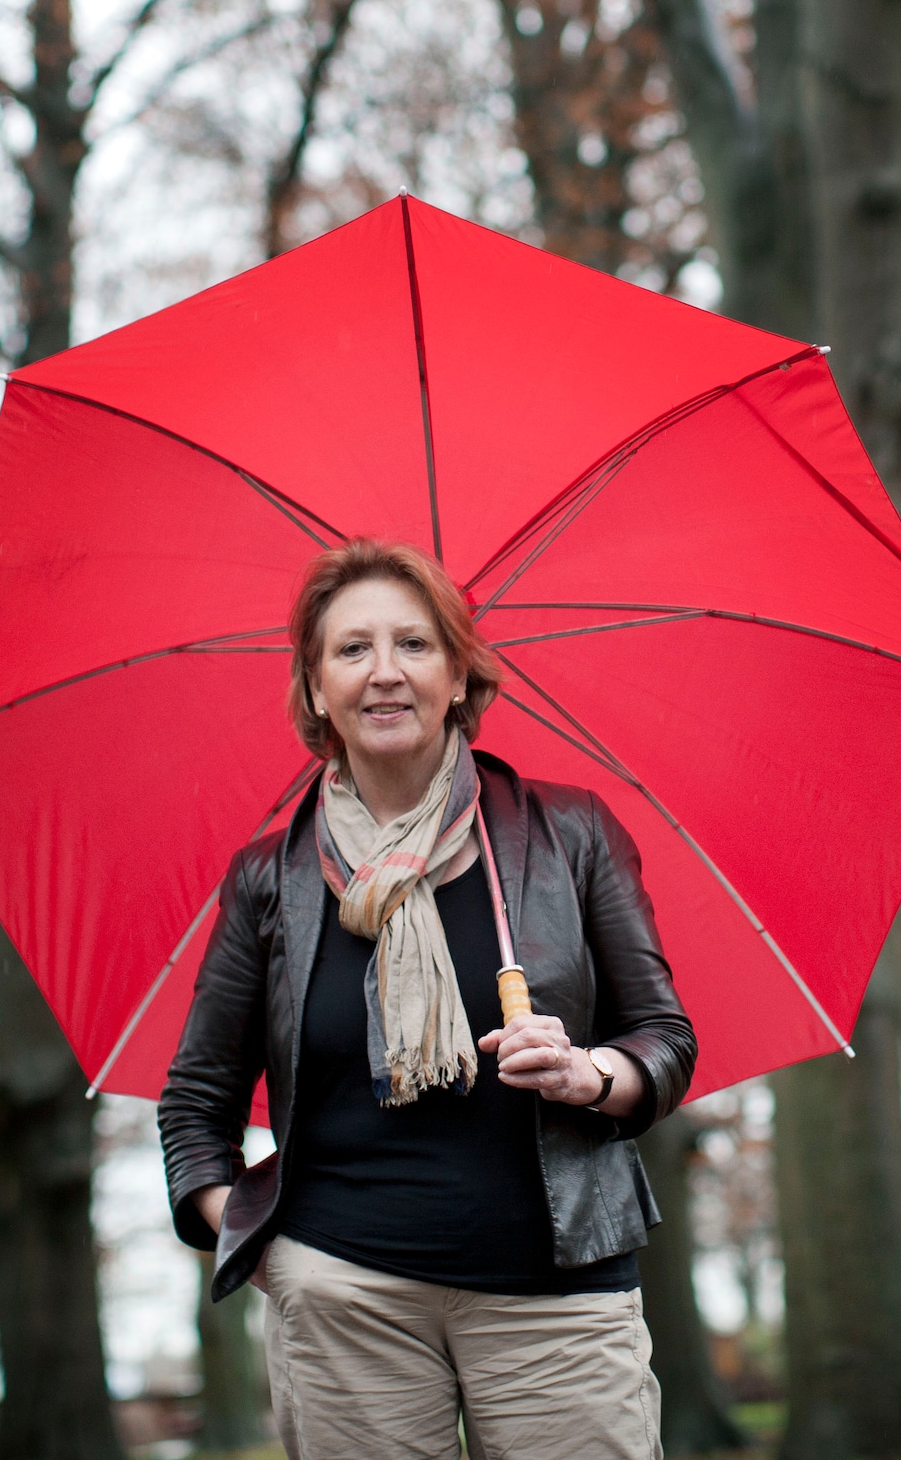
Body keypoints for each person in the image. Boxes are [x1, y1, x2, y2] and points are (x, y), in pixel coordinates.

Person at [158, 537, 696, 1460]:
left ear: (457, 675)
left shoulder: (569, 833)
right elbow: (196, 1102)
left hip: (559, 1299)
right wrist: (266, 1249)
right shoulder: (269, 877)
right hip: (345, 1305)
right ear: (316, 687)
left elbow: (664, 1038)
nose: (385, 671)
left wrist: (591, 1074)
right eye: (352, 648)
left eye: (414, 643)